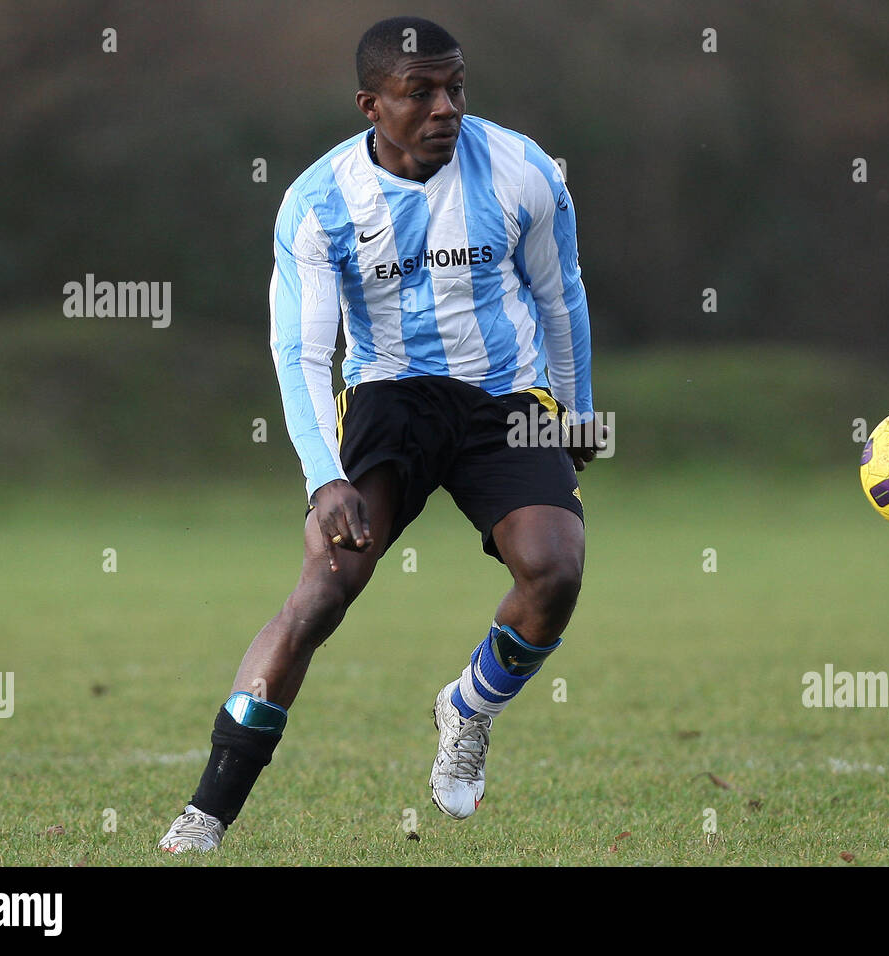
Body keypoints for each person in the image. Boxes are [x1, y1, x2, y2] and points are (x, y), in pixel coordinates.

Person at [158, 15, 603, 852]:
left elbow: (561, 296)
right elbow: (302, 351)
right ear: (371, 104)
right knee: (325, 590)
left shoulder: (523, 171)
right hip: (387, 401)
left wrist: (575, 406)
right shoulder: (319, 203)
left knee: (555, 573)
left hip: (503, 400)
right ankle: (207, 811)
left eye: (456, 87)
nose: (446, 108)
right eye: (420, 92)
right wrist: (324, 478)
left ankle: (466, 709)